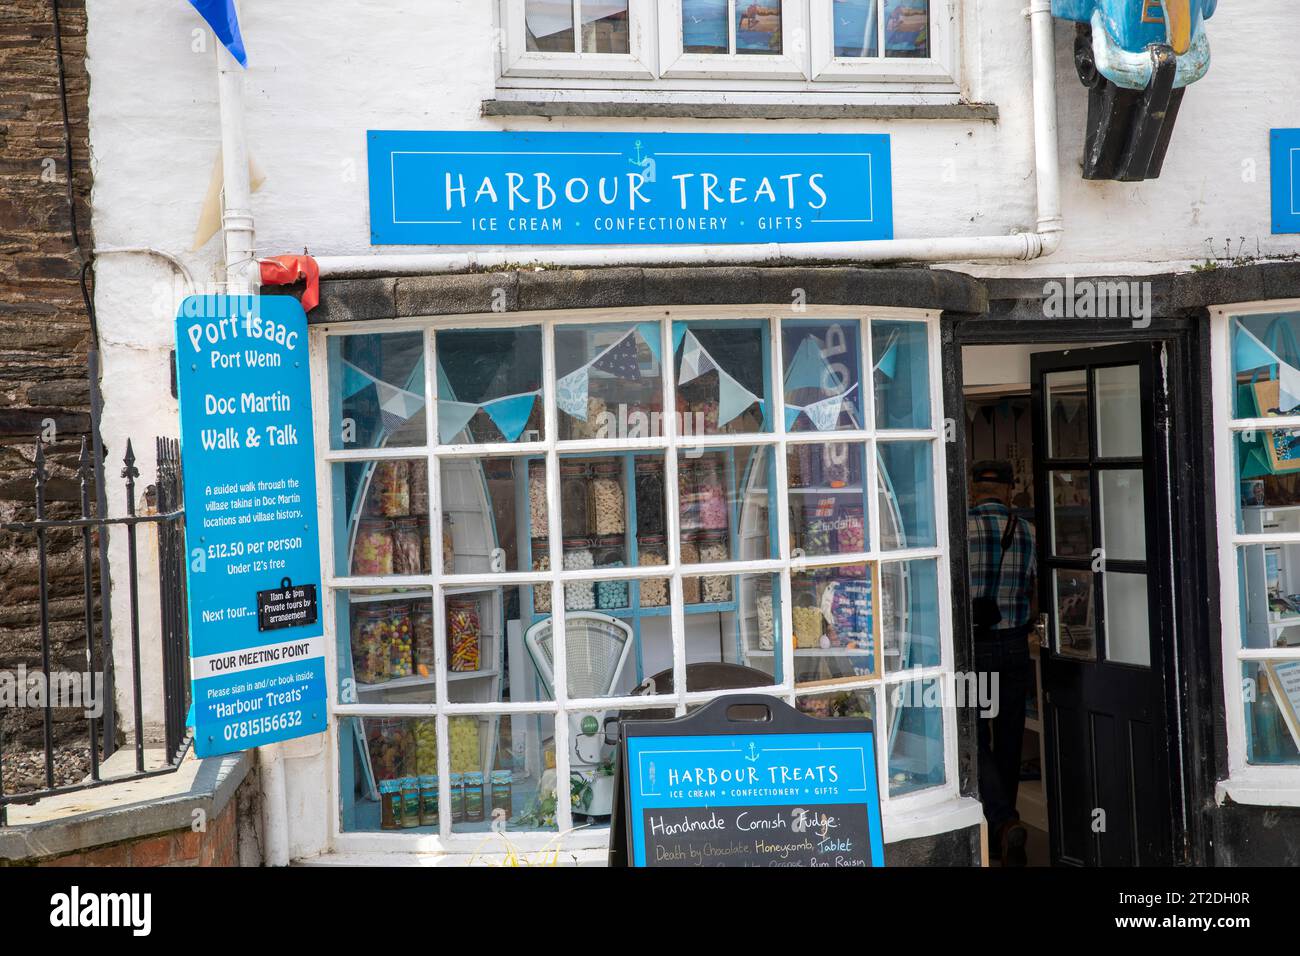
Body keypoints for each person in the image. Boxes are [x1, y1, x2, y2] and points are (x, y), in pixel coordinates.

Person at [967, 460, 1036, 866]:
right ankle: (1007, 825)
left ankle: (1001, 820)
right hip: (1013, 645)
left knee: (975, 736)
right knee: (1010, 736)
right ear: (1009, 491)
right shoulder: (1028, 532)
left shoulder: (962, 530)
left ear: (974, 489)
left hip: (974, 648)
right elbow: (1032, 585)